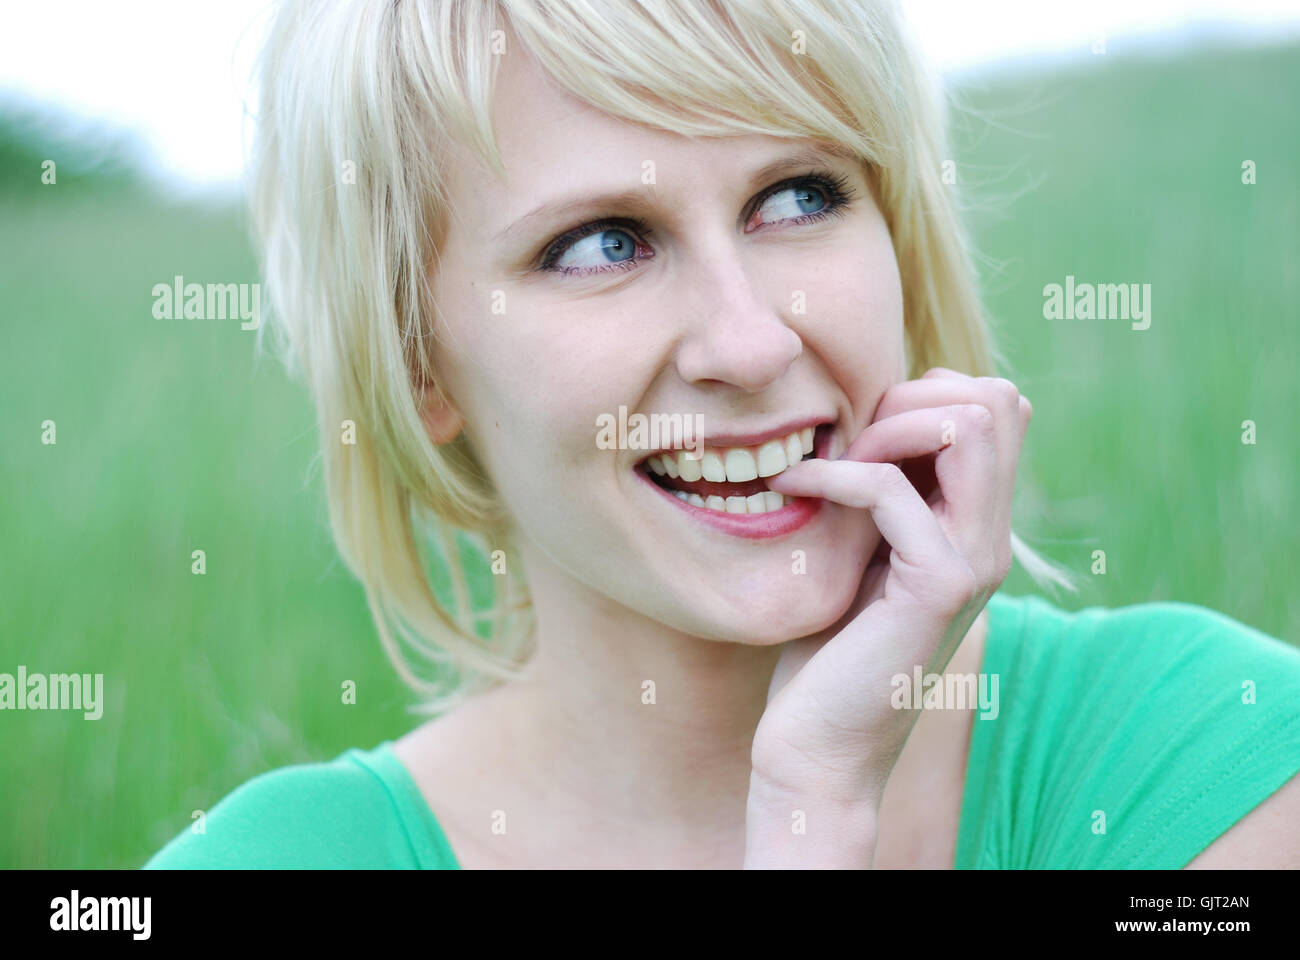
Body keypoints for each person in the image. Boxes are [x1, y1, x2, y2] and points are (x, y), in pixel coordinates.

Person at [145, 0, 1300, 869]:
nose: (748, 344)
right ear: (417, 365)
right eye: (603, 243)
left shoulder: (1201, 756)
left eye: (797, 196)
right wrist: (812, 815)